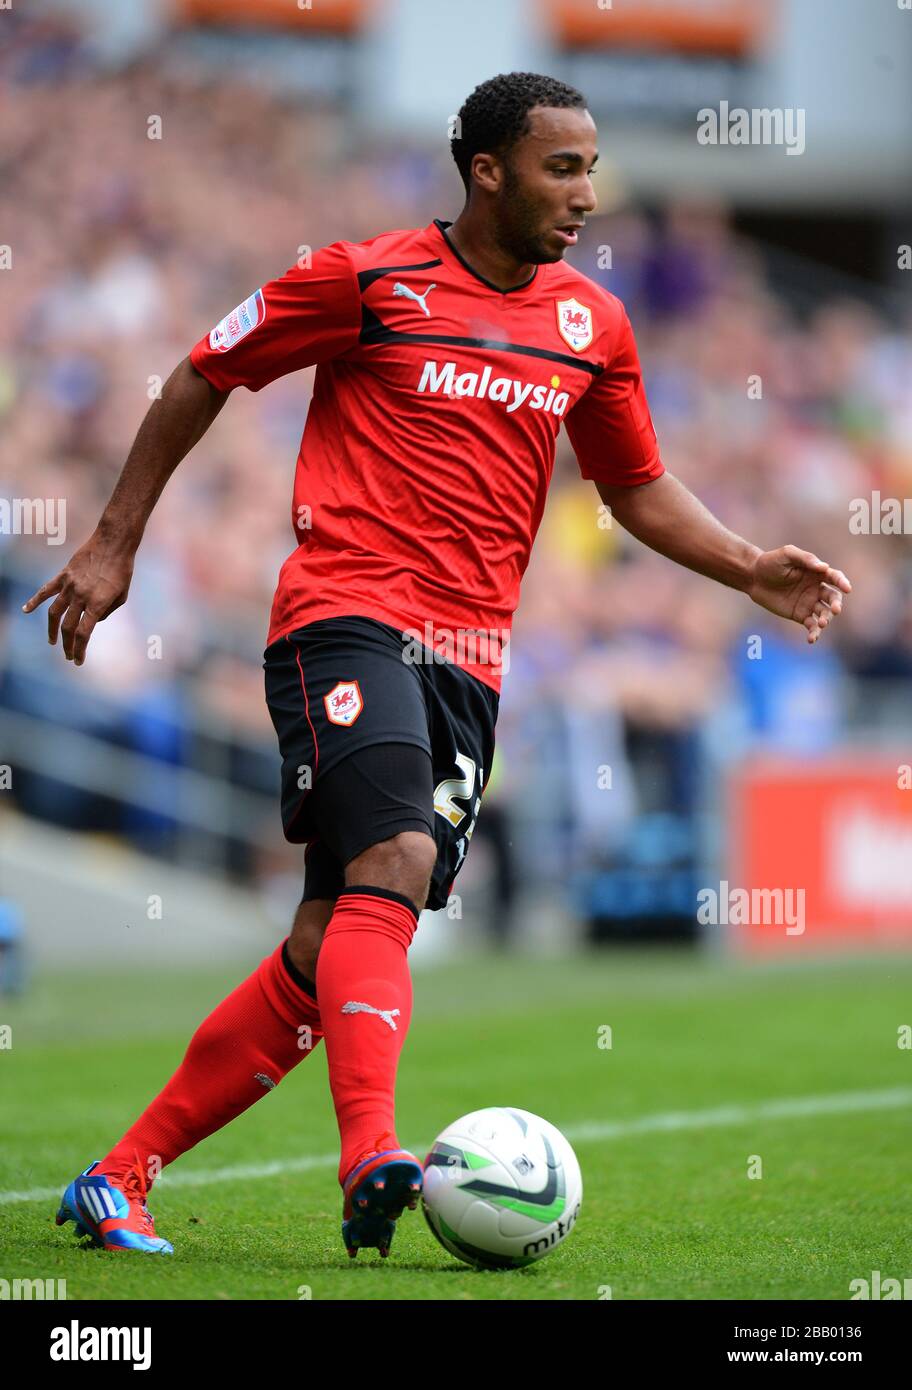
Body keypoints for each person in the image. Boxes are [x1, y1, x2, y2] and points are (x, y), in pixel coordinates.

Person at [24, 72, 851, 1259]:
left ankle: (116, 1177)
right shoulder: (362, 279)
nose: (587, 195)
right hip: (343, 617)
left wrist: (742, 565)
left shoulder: (590, 325)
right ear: (489, 171)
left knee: (330, 944)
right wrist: (114, 542)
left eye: (592, 168)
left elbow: (632, 485)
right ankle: (374, 1156)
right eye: (563, 169)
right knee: (396, 857)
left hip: (471, 659)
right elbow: (203, 370)